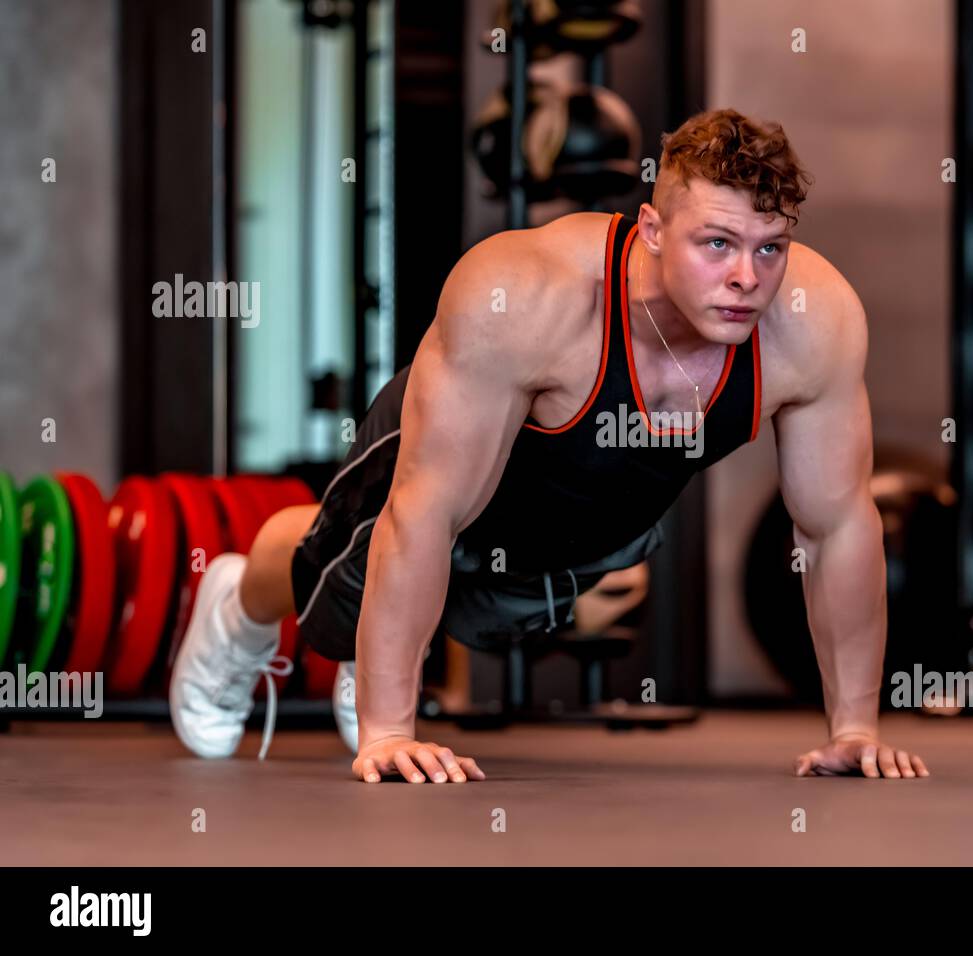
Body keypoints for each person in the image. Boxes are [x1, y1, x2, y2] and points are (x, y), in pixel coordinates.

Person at [169, 108, 930, 784]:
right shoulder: (527, 294)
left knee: (480, 617)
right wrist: (391, 732)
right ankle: (238, 606)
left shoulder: (814, 323)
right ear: (653, 229)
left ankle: (383, 652)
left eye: (770, 249)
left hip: (584, 519)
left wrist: (854, 728)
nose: (746, 278)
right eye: (718, 243)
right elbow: (425, 512)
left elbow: (834, 529)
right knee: (340, 587)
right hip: (447, 464)